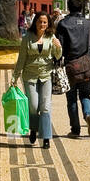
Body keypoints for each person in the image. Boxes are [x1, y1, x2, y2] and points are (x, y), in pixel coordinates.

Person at [12, 10, 62, 150]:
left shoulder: (51, 37)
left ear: (48, 23)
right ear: (36, 22)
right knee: (33, 106)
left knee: (45, 107)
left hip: (46, 75)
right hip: (30, 75)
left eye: (45, 22)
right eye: (40, 21)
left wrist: (58, 47)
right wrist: (15, 76)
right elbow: (22, 58)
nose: (42, 24)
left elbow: (57, 56)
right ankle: (33, 129)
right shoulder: (27, 37)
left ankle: (46, 137)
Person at [56, 0, 90, 138]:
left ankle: (75, 129)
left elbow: (59, 46)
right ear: (82, 8)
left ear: (68, 7)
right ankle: (88, 114)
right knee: (85, 94)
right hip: (86, 64)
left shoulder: (63, 24)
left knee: (71, 98)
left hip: (71, 66)